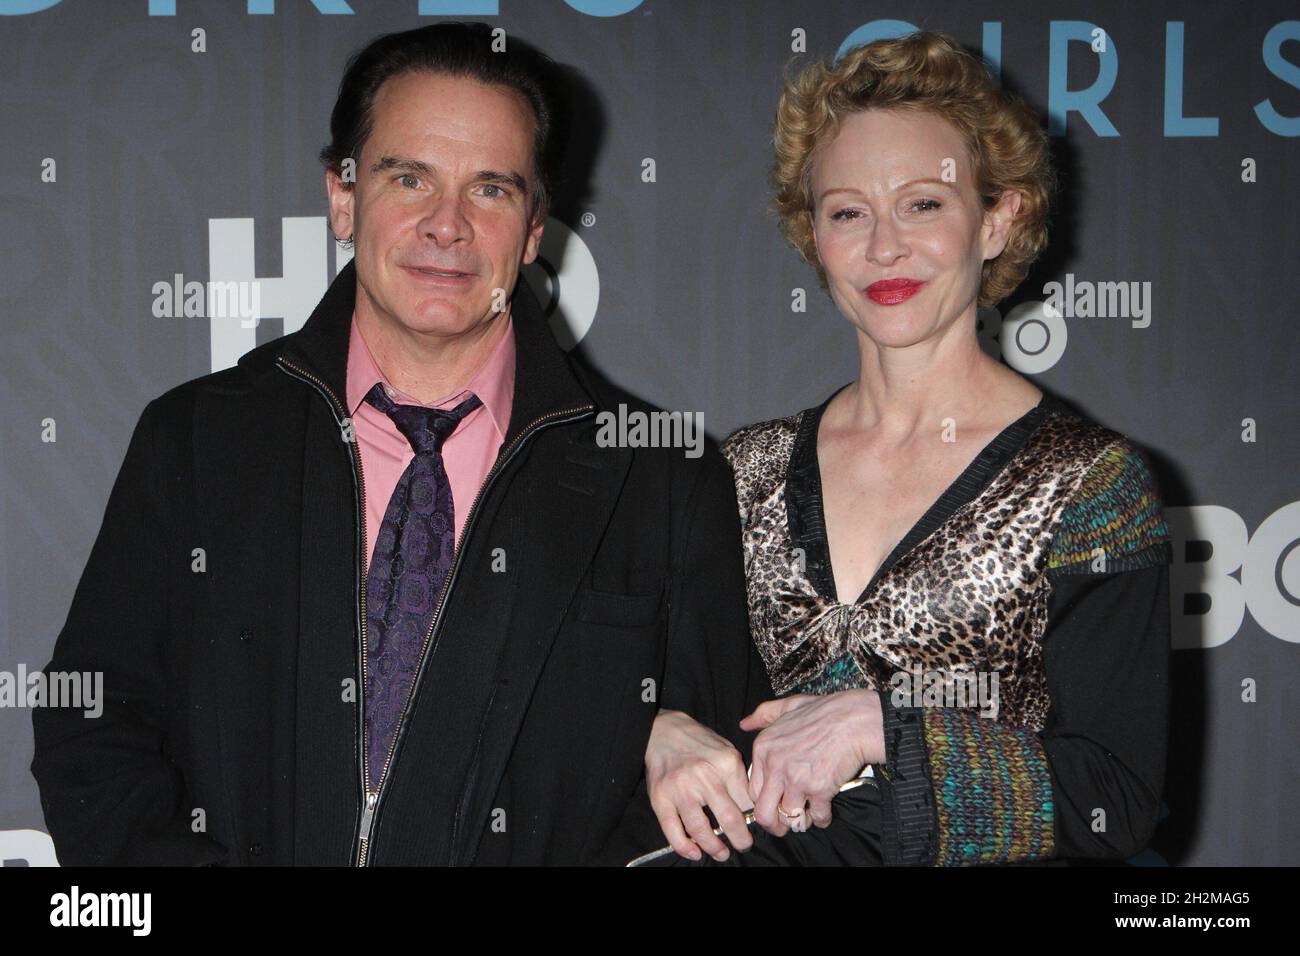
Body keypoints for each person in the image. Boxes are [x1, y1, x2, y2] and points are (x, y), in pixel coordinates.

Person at [30, 21, 770, 866]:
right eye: (409, 177)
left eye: (490, 189)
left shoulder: (662, 479)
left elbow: (690, 814)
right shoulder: (198, 440)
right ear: (343, 198)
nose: (446, 225)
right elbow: (93, 719)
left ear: (534, 228)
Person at [639, 31, 1172, 866]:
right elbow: (668, 693)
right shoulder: (745, 471)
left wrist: (881, 726)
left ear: (998, 219)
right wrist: (659, 727)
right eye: (848, 211)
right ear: (814, 237)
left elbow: (1114, 798)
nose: (884, 246)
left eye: (924, 203)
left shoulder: (1088, 483)